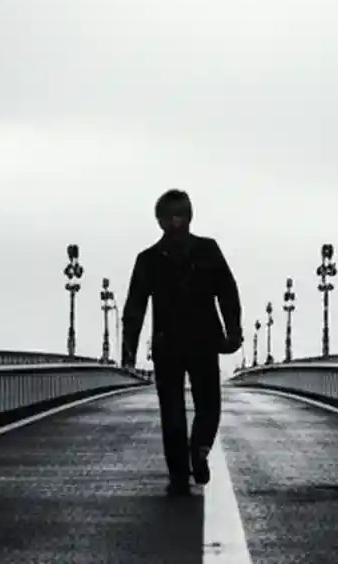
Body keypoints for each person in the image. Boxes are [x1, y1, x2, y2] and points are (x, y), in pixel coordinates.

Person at [121, 189, 243, 495]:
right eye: (173, 217)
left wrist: (128, 353)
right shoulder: (206, 250)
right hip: (200, 341)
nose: (176, 223)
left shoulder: (149, 259)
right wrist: (232, 332)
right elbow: (227, 293)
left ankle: (180, 472)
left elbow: (134, 308)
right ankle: (198, 449)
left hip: (170, 344)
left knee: (173, 409)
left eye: (180, 216)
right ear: (163, 220)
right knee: (206, 404)